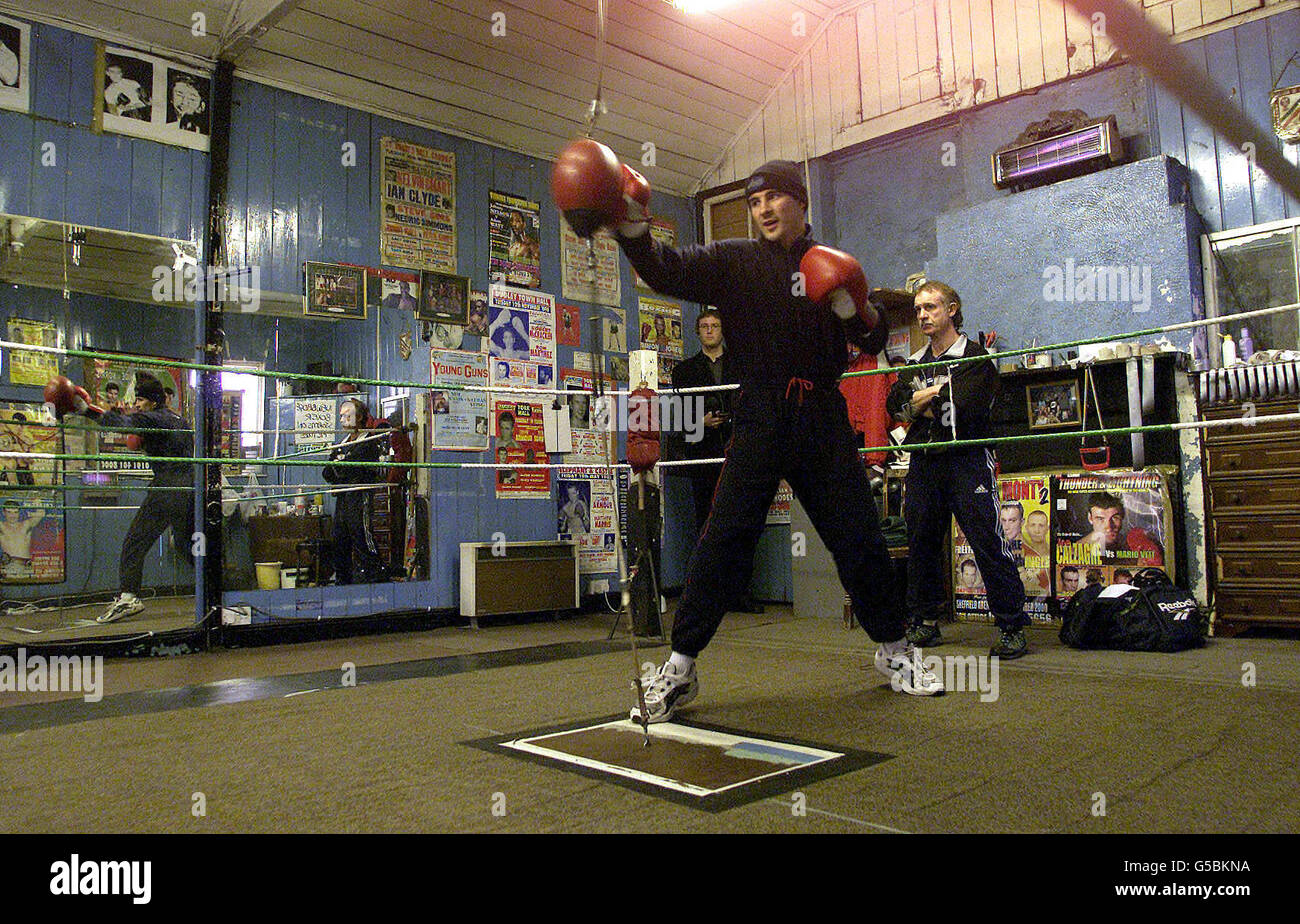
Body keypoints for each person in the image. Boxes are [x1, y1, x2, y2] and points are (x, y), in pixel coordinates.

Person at [565, 153, 942, 722]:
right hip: (761, 414)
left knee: (858, 536)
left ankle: (894, 651)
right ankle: (680, 666)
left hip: (819, 411)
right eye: (754, 201)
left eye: (774, 197)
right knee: (722, 540)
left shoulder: (830, 262)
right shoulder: (734, 261)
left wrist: (851, 304)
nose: (763, 209)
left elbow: (872, 340)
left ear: (800, 201)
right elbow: (667, 270)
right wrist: (633, 228)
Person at [886, 281, 1030, 658]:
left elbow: (961, 408)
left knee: (986, 539)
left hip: (967, 458)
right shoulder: (916, 361)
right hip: (925, 460)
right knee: (921, 540)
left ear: (952, 309)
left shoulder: (975, 358)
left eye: (931, 307)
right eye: (918, 308)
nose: (922, 315)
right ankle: (925, 621)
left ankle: (1012, 624)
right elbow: (895, 406)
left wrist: (921, 402)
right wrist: (932, 396)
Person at [52, 372, 193, 623]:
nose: (137, 404)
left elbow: (120, 426)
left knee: (134, 542)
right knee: (187, 547)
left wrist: (84, 410)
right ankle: (220, 588)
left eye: (140, 399)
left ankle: (129, 597)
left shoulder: (152, 417)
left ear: (152, 401)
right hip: (190, 488)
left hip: (168, 488)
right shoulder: (177, 418)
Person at [671, 308, 762, 614]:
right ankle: (708, 596)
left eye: (715, 326)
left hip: (739, 452)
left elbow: (754, 406)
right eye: (705, 326)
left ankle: (740, 592)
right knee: (706, 525)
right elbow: (678, 419)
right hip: (704, 457)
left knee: (742, 522)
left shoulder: (741, 365)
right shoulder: (684, 371)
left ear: (723, 330)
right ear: (698, 332)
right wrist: (701, 422)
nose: (710, 331)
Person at [322, 398, 384, 584]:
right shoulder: (343, 443)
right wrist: (341, 465)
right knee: (339, 538)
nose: (343, 420)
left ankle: (374, 576)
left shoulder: (368, 441)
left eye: (348, 416)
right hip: (343, 495)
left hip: (359, 494)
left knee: (361, 534)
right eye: (341, 416)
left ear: (359, 417)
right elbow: (327, 472)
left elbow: (348, 469)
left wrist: (340, 465)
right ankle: (343, 580)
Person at [1078, 491, 1164, 563]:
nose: (1109, 527)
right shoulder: (1075, 553)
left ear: (1123, 516)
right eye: (1100, 519)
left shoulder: (1133, 544)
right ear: (1090, 518)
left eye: (1115, 518)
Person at [1, 501, 44, 579]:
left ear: (19, 513)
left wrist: (38, 500)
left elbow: (40, 514)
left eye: (15, 512)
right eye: (9, 512)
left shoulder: (25, 525)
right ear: (4, 513)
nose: (12, 515)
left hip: (28, 566)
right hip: (11, 567)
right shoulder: (2, 527)